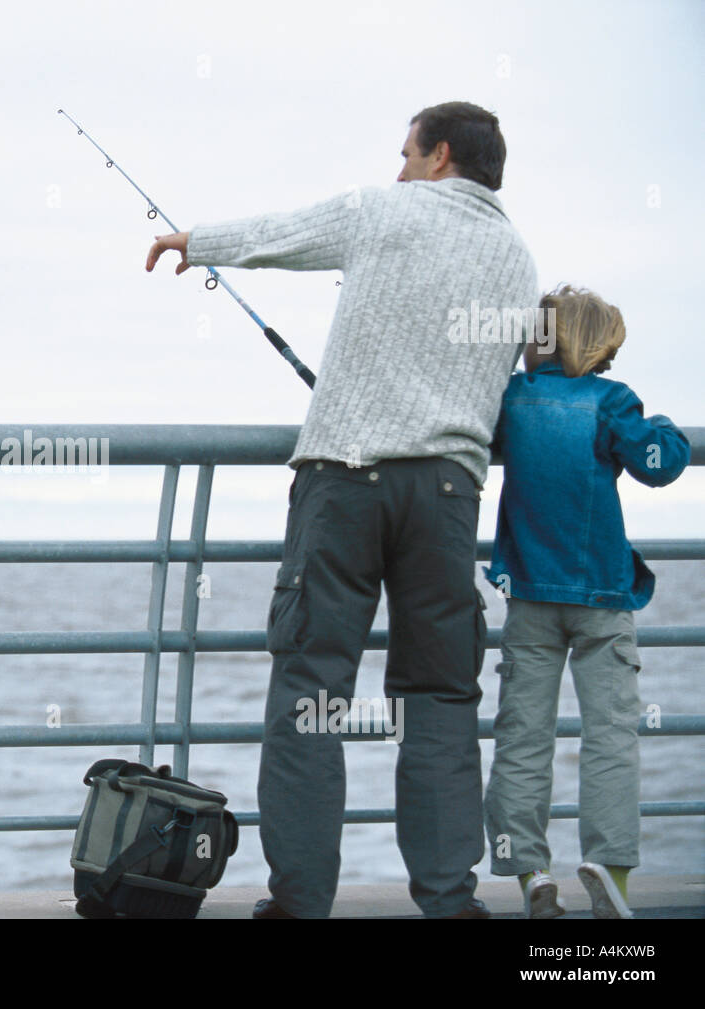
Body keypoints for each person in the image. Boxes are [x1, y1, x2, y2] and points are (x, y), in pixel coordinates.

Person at [146, 101, 539, 918]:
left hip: (344, 482)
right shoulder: (517, 258)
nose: (396, 167)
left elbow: (288, 233)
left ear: (437, 157)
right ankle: (447, 897)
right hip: (447, 495)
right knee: (439, 696)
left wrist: (197, 242)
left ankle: (300, 902)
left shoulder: (383, 208)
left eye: (405, 152)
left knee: (312, 692)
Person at [482, 285, 689, 919]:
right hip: (601, 595)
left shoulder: (512, 402)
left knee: (521, 737)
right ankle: (610, 873)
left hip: (529, 599)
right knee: (611, 738)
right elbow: (659, 464)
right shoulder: (609, 401)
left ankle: (531, 874)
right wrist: (665, 431)